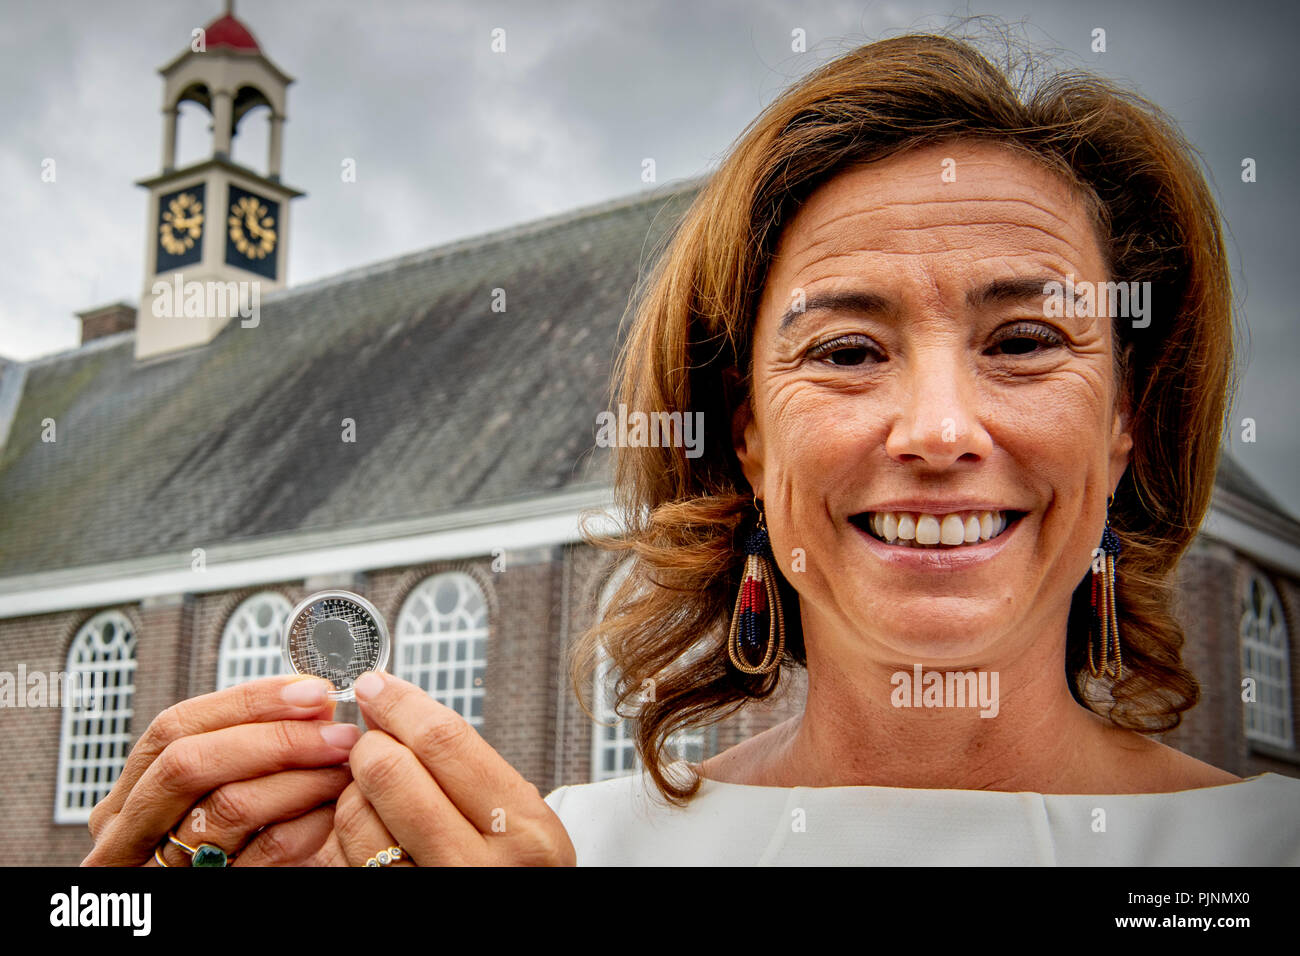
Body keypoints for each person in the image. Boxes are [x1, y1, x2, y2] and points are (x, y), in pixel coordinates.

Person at [83, 31, 1299, 868]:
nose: (937, 429)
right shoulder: (572, 848)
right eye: (847, 351)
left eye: (1025, 338)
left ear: (1126, 416)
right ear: (747, 440)